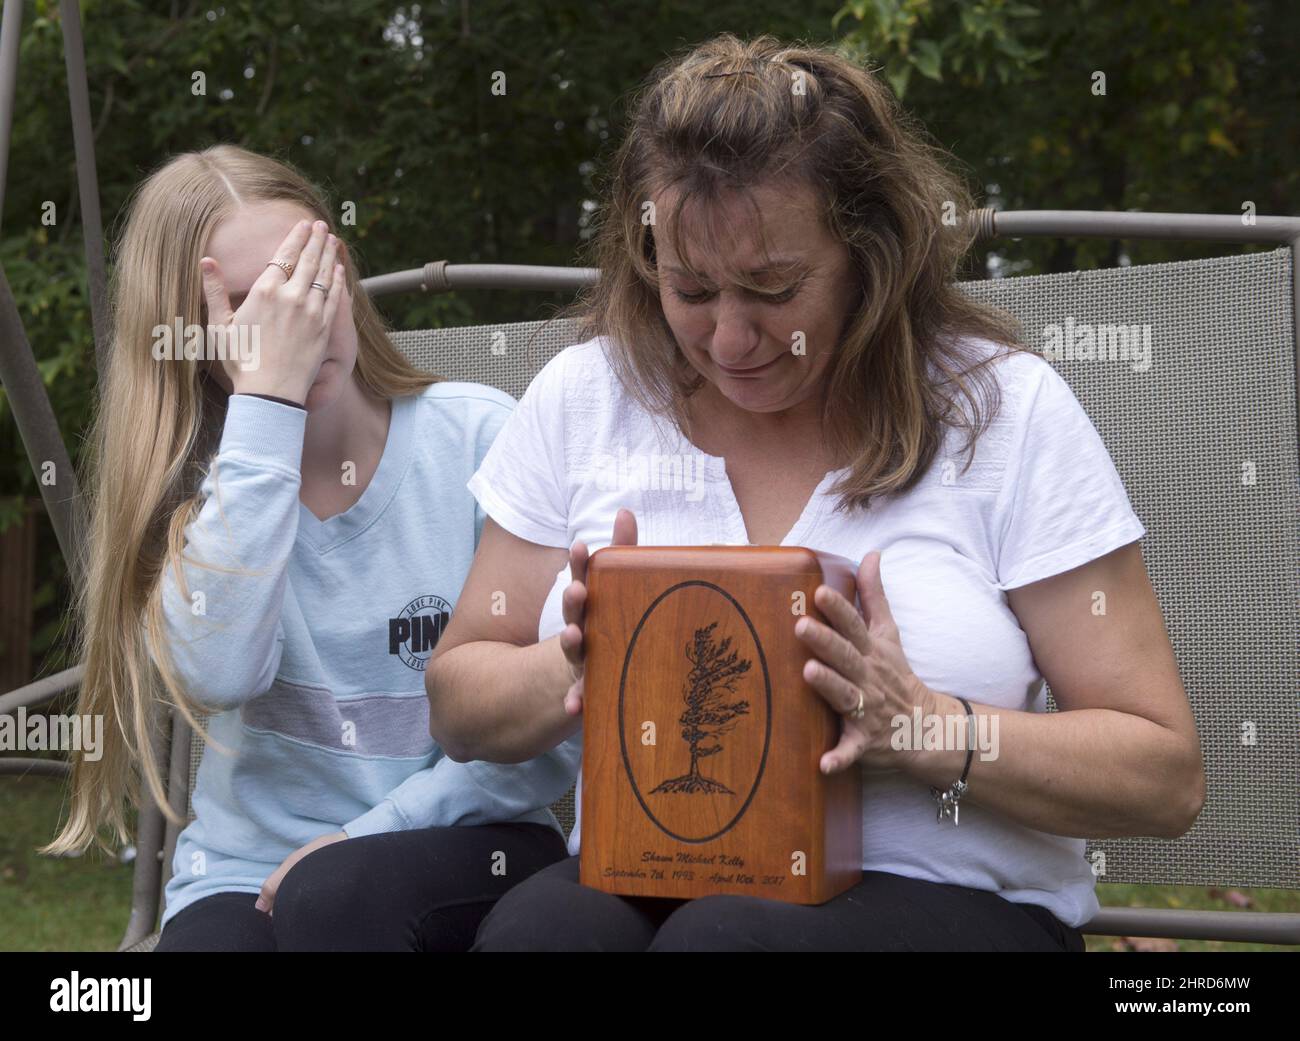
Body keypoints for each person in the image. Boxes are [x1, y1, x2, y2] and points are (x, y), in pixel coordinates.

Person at [424, 33, 1206, 952]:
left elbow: (1164, 776)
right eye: (690, 289)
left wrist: (923, 727)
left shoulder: (1003, 407)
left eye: (774, 288)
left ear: (871, 254)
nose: (727, 338)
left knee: (724, 943)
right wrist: (578, 666)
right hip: (654, 870)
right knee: (541, 937)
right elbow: (458, 704)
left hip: (953, 905)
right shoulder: (587, 395)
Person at [43, 145, 578, 951]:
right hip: (242, 868)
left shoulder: (478, 440)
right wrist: (265, 403)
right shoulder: (196, 496)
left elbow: (549, 729)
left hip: (470, 838)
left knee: (335, 899)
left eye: (312, 281)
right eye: (259, 303)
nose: (297, 322)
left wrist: (373, 831)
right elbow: (222, 672)